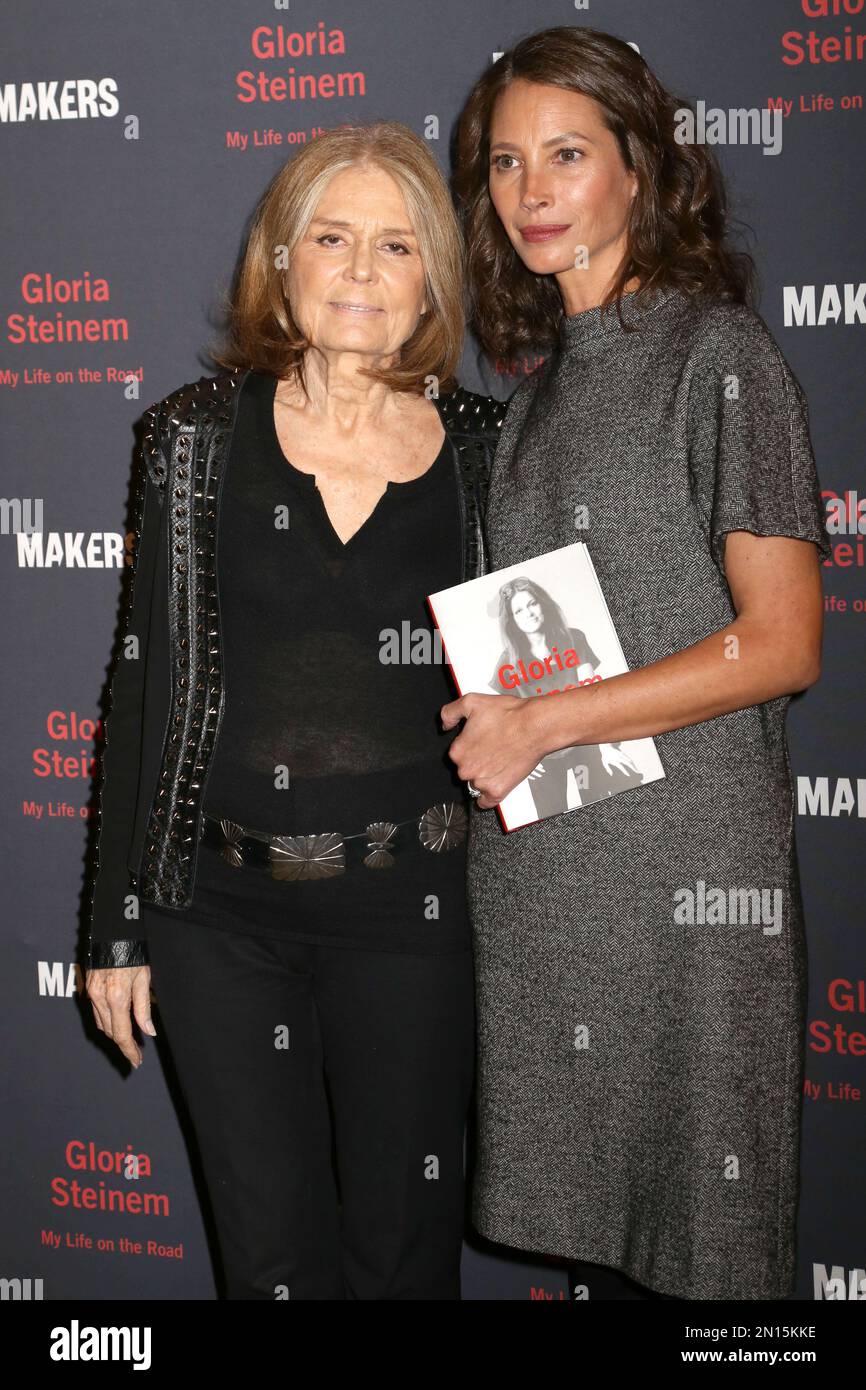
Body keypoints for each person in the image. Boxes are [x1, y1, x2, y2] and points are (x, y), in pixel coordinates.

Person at [84, 121, 505, 1300]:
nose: (361, 269)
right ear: (281, 258)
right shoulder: (193, 439)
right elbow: (140, 681)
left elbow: (541, 689)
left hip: (414, 919)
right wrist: (117, 922)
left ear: (432, 278)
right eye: (331, 237)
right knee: (269, 1265)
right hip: (219, 924)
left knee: (401, 1261)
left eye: (394, 244)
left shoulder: (489, 454)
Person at [444, 26, 830, 1300]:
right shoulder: (534, 400)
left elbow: (780, 643)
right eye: (505, 164)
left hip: (689, 886)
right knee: (608, 1253)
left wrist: (547, 722)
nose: (532, 191)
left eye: (566, 154)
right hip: (553, 885)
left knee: (715, 1267)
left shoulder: (719, 357)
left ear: (640, 169)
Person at [488, 576, 640, 816]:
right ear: (512, 621)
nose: (528, 613)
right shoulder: (507, 662)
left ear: (543, 605)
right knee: (552, 817)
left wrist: (607, 747)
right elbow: (500, 717)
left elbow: (592, 697)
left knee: (604, 805)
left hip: (584, 741)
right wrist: (516, 754)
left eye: (532, 604)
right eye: (518, 611)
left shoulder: (573, 639)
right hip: (542, 754)